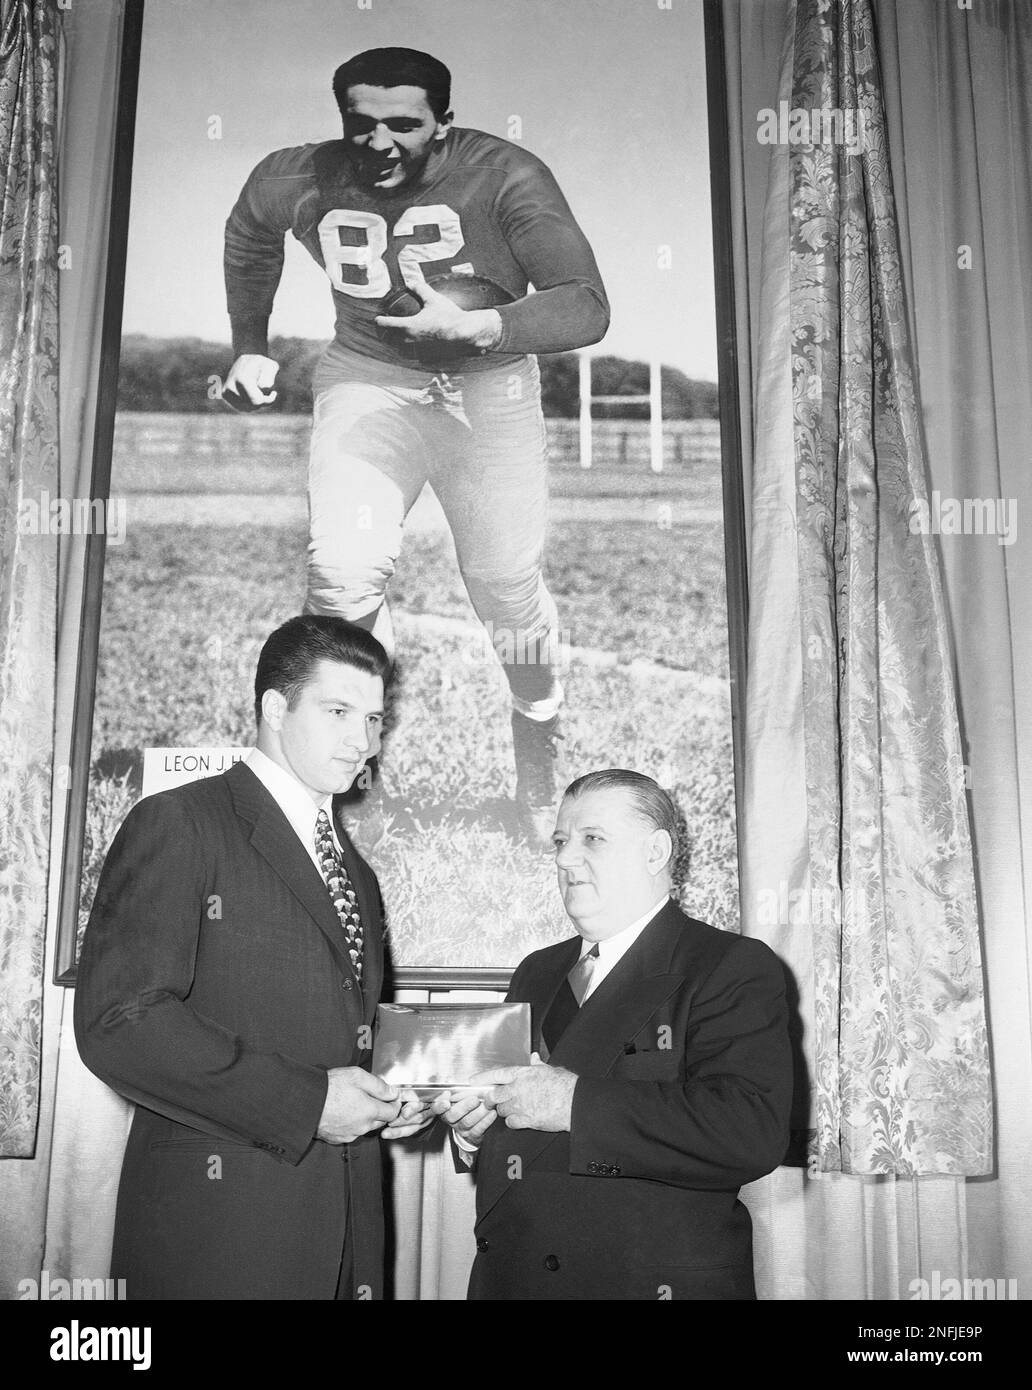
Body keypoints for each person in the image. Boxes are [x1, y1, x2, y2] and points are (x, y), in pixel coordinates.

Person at [222, 46, 610, 846]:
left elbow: (586, 304)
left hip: (491, 382)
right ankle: (343, 780)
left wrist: (484, 324)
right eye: (362, 124)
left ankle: (539, 741)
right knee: (341, 572)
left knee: (506, 585)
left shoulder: (504, 173)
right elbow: (250, 231)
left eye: (405, 123)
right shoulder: (295, 177)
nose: (382, 141)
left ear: (443, 123)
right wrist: (249, 342)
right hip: (369, 374)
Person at [74, 615, 430, 1300]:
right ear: (274, 707)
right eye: (338, 711)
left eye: (375, 718)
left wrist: (388, 1099)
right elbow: (120, 1023)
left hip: (347, 1242)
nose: (364, 741)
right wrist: (310, 1102)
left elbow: (336, 1045)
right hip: (222, 1246)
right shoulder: (181, 820)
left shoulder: (355, 872)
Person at [433, 769, 793, 1300]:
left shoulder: (728, 965)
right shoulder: (536, 970)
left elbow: (750, 1131)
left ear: (655, 853)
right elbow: (520, 1143)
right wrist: (473, 1132)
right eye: (560, 841)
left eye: (591, 839)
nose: (563, 858)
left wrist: (573, 1104)